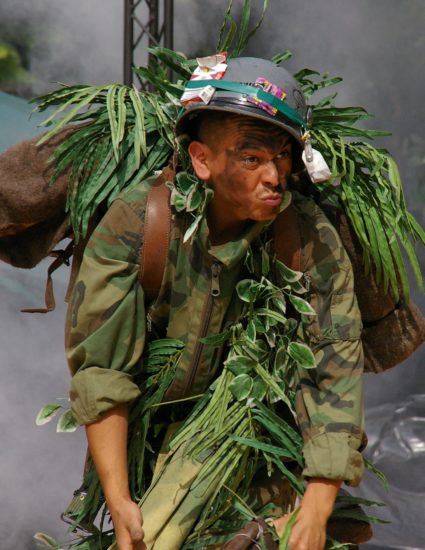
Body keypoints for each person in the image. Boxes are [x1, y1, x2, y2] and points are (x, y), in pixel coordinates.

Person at [65, 56, 364, 550]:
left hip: (269, 455)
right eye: (251, 159)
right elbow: (102, 371)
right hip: (149, 456)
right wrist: (120, 503)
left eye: (283, 157)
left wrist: (316, 507)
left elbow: (334, 367)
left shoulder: (307, 239)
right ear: (203, 160)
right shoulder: (140, 224)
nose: (274, 175)